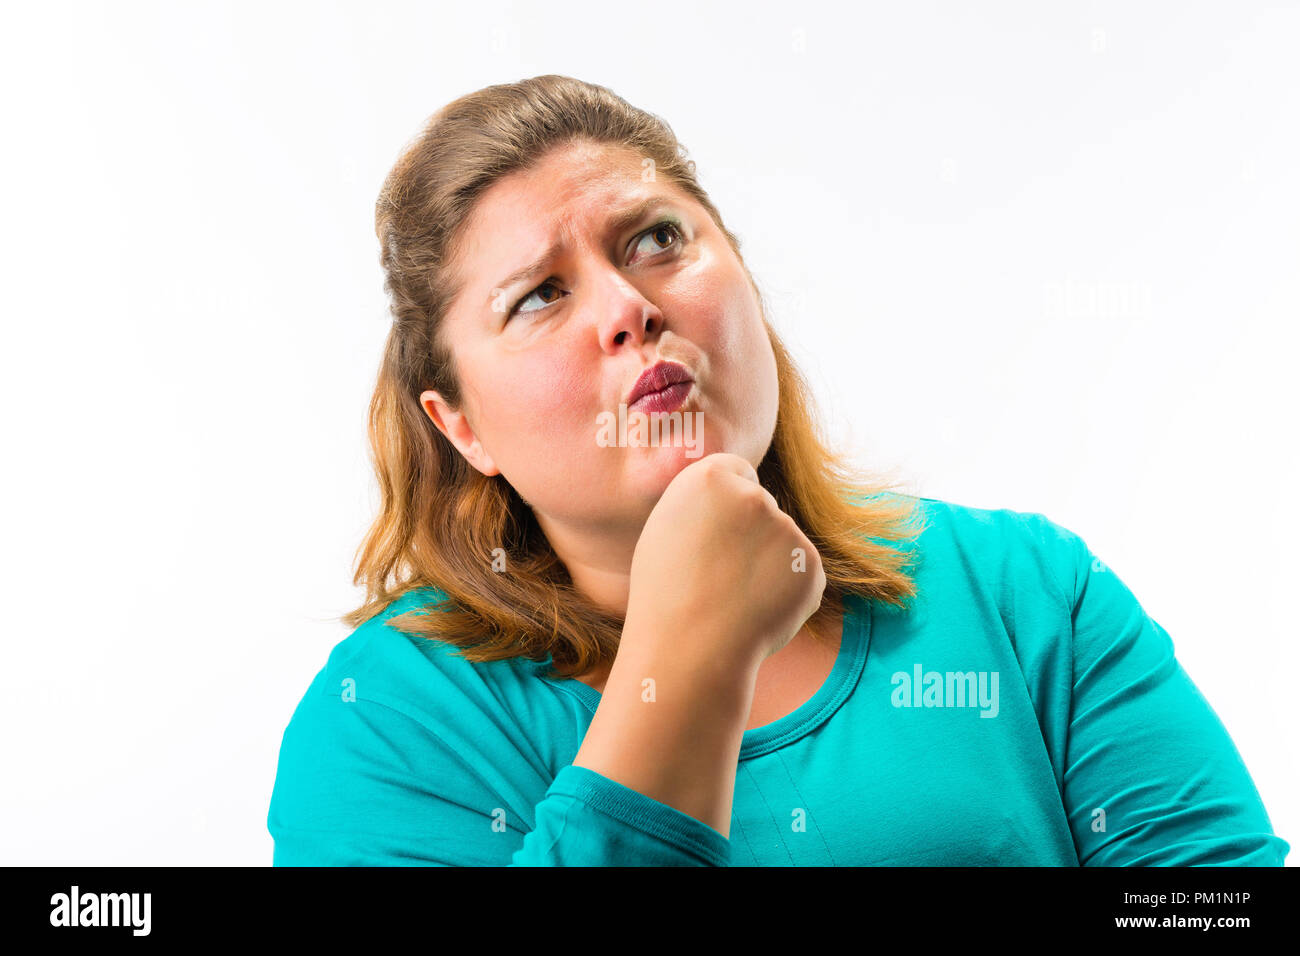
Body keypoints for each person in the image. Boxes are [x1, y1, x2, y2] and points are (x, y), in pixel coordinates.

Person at [266, 74, 1289, 866]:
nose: (628, 307)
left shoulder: (1029, 594)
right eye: (537, 296)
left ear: (743, 277)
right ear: (461, 428)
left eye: (657, 238)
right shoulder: (391, 719)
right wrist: (692, 652)